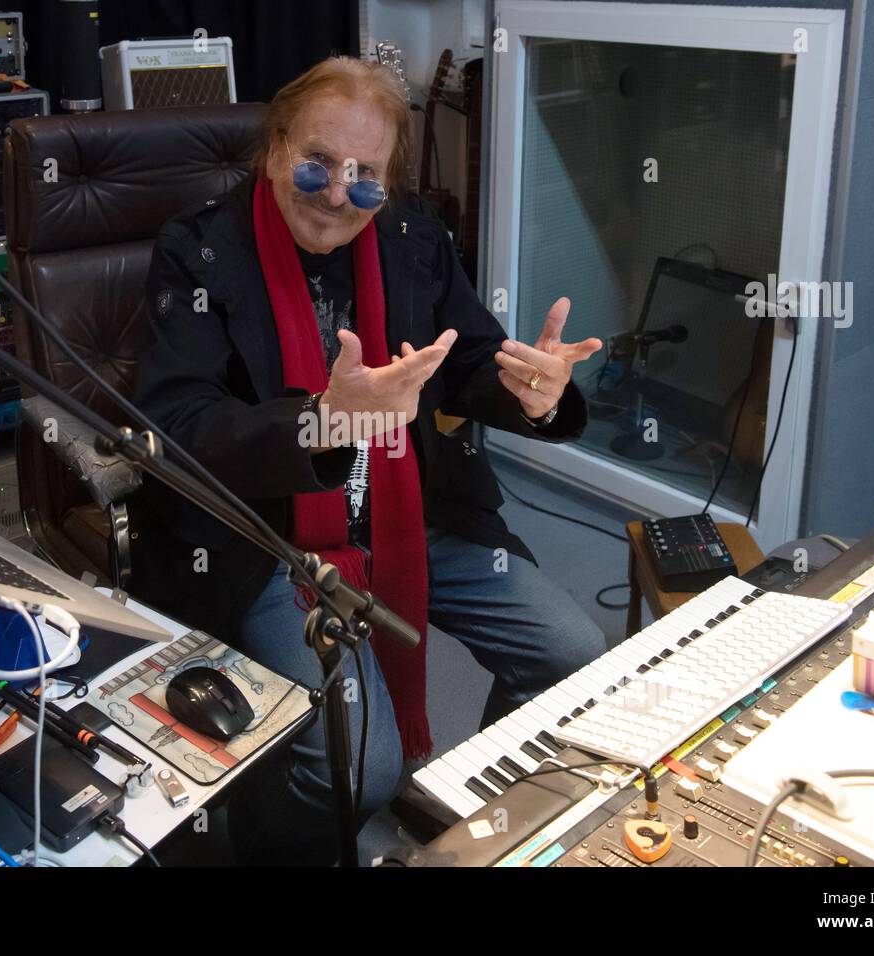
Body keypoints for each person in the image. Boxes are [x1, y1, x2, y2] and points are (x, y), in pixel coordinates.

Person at [129, 56, 607, 864]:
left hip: (411, 517)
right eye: (316, 163)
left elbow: (469, 362)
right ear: (277, 148)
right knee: (363, 769)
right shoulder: (200, 250)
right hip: (272, 542)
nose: (336, 193)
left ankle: (461, 822)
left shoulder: (413, 237)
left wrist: (536, 393)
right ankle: (275, 840)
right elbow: (177, 424)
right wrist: (320, 422)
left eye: (366, 178)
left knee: (573, 654)